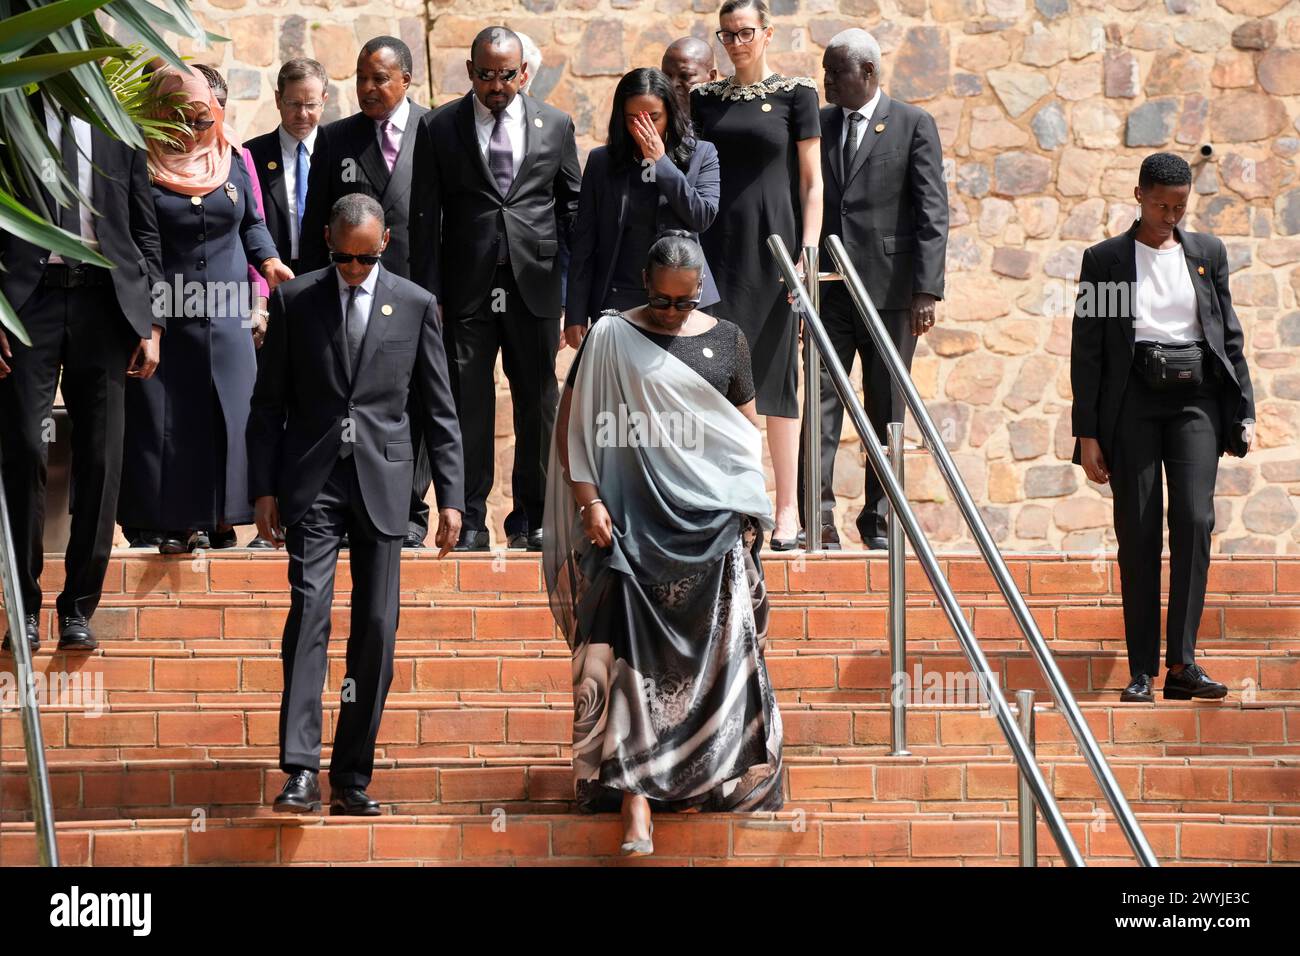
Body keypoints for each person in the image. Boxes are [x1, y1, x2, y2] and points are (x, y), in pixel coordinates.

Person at [543, 232, 783, 857]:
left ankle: (702, 773)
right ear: (643, 285)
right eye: (660, 300)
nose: (671, 311)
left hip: (707, 531)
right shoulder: (608, 337)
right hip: (628, 532)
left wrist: (751, 510)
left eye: (683, 301)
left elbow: (742, 439)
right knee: (628, 661)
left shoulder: (728, 341)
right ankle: (635, 798)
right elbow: (573, 430)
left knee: (712, 658)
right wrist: (589, 503)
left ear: (700, 287)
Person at [248, 194, 464, 815]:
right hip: (313, 481)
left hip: (385, 482)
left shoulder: (417, 305)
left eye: (365, 259)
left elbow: (437, 409)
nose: (353, 269)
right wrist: (264, 488)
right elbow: (267, 406)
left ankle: (351, 775)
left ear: (384, 245)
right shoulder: (293, 301)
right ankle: (298, 771)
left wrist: (451, 496)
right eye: (342, 257)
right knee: (309, 614)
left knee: (375, 627)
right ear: (326, 241)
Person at [1070, 151, 1255, 704]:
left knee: (1196, 519)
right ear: (1138, 196)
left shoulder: (1207, 254)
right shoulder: (1104, 260)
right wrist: (1086, 433)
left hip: (1196, 399)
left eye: (1179, 206)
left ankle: (1183, 664)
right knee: (1140, 530)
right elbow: (1088, 350)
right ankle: (1142, 671)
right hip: (1131, 405)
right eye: (1160, 205)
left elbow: (1228, 334)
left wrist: (1242, 407)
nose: (1170, 216)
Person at [0, 89, 163, 654]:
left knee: (101, 457)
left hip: (105, 307)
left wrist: (153, 322)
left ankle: (77, 610)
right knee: (23, 446)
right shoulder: (11, 117)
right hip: (29, 304)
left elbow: (145, 232)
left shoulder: (120, 129)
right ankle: (21, 609)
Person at [409, 26, 581, 553]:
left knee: (538, 404)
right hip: (465, 291)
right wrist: (428, 295)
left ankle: (533, 517)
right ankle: (471, 519)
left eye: (506, 75)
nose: (496, 85)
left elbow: (572, 210)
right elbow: (423, 217)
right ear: (470, 71)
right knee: (468, 405)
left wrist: (576, 296)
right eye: (485, 75)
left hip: (536, 287)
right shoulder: (439, 126)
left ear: (523, 73)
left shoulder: (555, 124)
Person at [117, 63, 290, 555]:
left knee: (234, 414)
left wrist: (271, 262)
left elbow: (252, 223)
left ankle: (223, 517)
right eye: (180, 120)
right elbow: (137, 242)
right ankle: (173, 522)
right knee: (173, 420)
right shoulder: (140, 162)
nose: (193, 131)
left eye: (201, 119)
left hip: (228, 310)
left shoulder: (231, 157)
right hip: (166, 315)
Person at [799, 28, 948, 550]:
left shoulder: (912, 124)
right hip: (828, 291)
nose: (825, 81)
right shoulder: (816, 125)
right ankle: (817, 518)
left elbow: (932, 212)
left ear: (866, 73)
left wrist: (926, 291)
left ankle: (880, 520)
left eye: (834, 71)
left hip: (890, 297)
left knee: (887, 411)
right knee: (820, 403)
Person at [691, 0, 822, 550]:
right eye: (727, 35)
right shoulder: (703, 100)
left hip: (774, 252)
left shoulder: (798, 95)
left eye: (745, 32)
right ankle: (732, 501)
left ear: (767, 33)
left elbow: (813, 183)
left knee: (777, 378)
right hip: (716, 251)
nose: (737, 42)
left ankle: (787, 509)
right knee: (713, 379)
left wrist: (807, 256)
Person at [297, 37, 434, 550]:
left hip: (413, 292)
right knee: (350, 397)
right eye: (361, 78)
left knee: (415, 399)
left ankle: (412, 509)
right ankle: (344, 503)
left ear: (405, 80)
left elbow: (447, 220)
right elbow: (317, 222)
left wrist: (438, 292)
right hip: (347, 289)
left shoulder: (435, 130)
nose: (368, 88)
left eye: (380, 78)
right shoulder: (336, 139)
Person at [564, 67, 719, 345]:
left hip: (682, 301)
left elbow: (702, 216)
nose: (643, 128)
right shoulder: (602, 162)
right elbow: (585, 242)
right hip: (619, 298)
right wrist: (575, 313)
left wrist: (662, 164)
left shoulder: (702, 154)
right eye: (633, 119)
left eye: (653, 118)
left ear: (670, 112)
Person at [245, 58, 329, 273]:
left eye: (311, 105)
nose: (302, 114)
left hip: (327, 273)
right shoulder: (251, 155)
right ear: (278, 99)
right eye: (293, 103)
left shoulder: (337, 151)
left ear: (324, 101)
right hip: (273, 273)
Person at [661, 36, 718, 115]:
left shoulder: (727, 120)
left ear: (711, 77)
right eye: (666, 76)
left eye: (685, 76)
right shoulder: (654, 118)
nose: (673, 84)